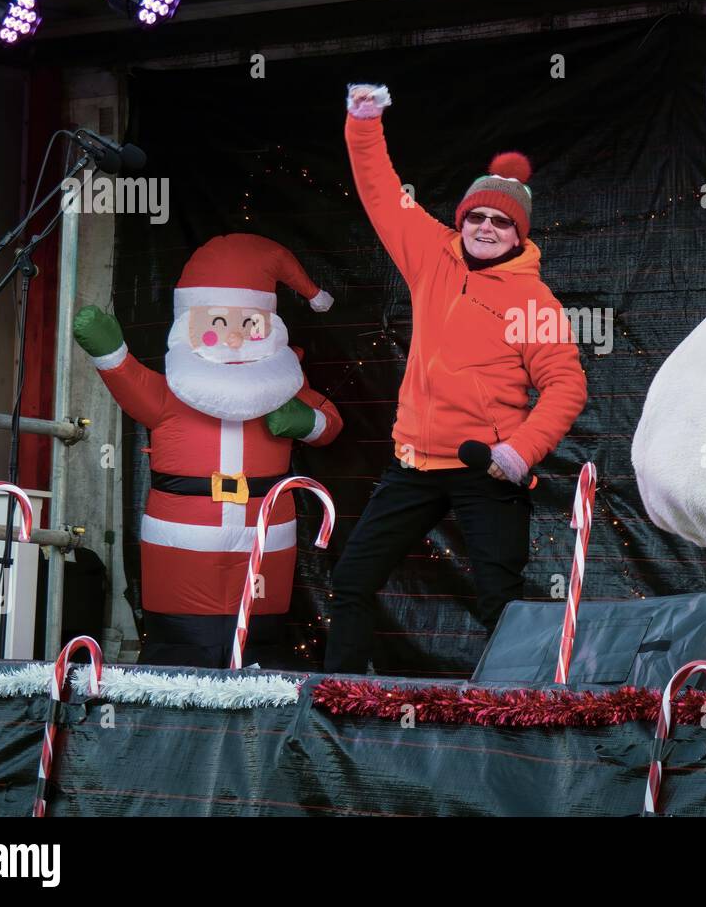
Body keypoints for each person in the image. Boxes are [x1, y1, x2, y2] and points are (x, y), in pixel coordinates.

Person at [324, 83, 587, 674]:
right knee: (352, 578)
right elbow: (380, 194)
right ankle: (334, 704)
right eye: (477, 216)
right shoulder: (431, 254)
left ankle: (520, 716)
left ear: (519, 234)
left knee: (503, 604)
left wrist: (517, 454)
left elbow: (567, 386)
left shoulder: (533, 300)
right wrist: (364, 123)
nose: (486, 227)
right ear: (463, 219)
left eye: (501, 221)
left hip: (484, 469)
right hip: (413, 463)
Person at [73, 234, 342, 667]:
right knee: (180, 646)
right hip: (182, 531)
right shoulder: (173, 392)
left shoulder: (285, 386)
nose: (235, 338)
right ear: (190, 324)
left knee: (259, 639)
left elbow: (330, 425)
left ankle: (258, 705)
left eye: (249, 324)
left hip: (265, 533)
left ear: (269, 328)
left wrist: (307, 420)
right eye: (217, 323)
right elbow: (135, 388)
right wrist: (112, 355)